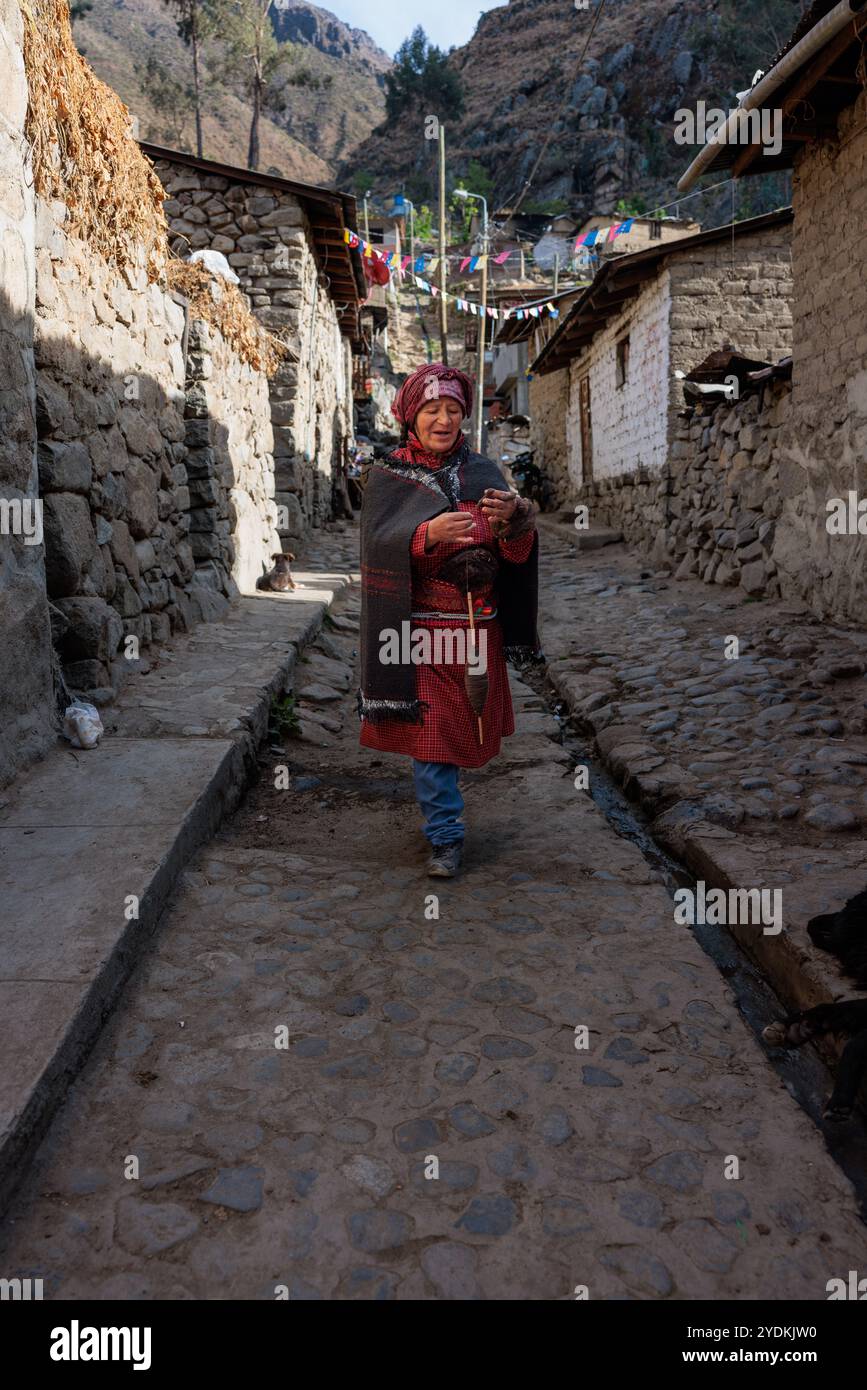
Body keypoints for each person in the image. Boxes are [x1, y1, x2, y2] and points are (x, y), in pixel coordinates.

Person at [357, 362, 540, 877]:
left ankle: (445, 822)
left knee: (468, 735)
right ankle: (445, 836)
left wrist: (515, 524)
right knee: (433, 740)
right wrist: (428, 535)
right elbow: (377, 548)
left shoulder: (484, 473)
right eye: (432, 410)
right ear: (410, 415)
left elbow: (517, 557)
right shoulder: (389, 476)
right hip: (422, 634)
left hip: (480, 629)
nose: (443, 420)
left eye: (454, 410)